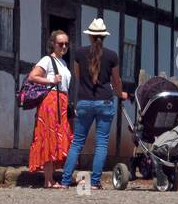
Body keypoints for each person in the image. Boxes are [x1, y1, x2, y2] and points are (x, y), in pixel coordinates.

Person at [59, 18, 127, 189]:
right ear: (104, 36)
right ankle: (95, 182)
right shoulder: (112, 55)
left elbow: (77, 76)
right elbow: (116, 81)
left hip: (85, 101)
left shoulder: (79, 53)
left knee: (77, 142)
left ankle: (66, 181)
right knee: (102, 142)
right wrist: (120, 94)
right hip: (105, 101)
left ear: (89, 36)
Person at [26, 30, 72, 188]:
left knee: (59, 137)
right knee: (48, 137)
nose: (64, 46)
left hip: (62, 102)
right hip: (51, 103)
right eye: (61, 44)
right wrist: (51, 79)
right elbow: (33, 76)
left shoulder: (63, 62)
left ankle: (51, 178)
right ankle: (48, 180)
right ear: (53, 44)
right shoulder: (47, 60)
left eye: (66, 43)